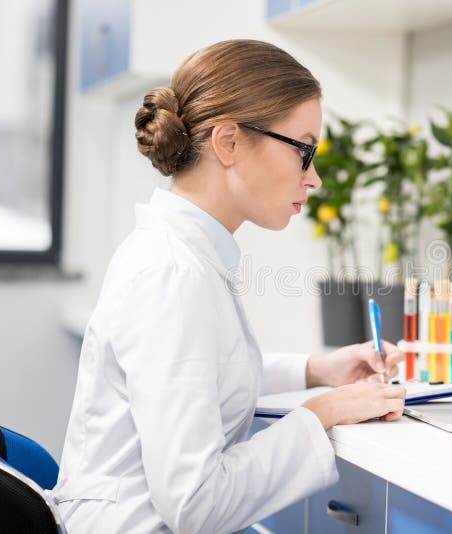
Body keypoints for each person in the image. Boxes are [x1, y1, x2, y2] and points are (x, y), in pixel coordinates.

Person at [51, 39, 406, 533]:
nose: (314, 180)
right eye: (304, 151)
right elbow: (195, 504)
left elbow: (203, 376)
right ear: (229, 143)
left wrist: (316, 370)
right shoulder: (171, 274)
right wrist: (320, 413)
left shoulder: (184, 256)